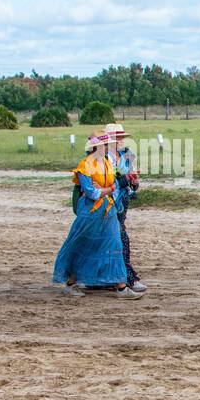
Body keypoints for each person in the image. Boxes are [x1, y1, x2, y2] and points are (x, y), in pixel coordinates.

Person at [53, 132, 141, 298]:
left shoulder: (106, 163)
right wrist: (107, 190)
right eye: (106, 144)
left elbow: (111, 186)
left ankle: (121, 287)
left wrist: (106, 190)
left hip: (107, 211)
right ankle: (71, 283)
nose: (109, 147)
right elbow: (92, 192)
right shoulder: (85, 165)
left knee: (115, 245)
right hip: (90, 212)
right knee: (84, 246)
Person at [106, 122, 147, 293]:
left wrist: (134, 181)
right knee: (121, 239)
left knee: (113, 239)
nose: (120, 140)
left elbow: (132, 184)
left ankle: (114, 278)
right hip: (107, 204)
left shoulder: (127, 156)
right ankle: (126, 278)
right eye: (117, 137)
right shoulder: (102, 158)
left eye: (121, 137)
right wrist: (122, 180)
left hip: (122, 203)